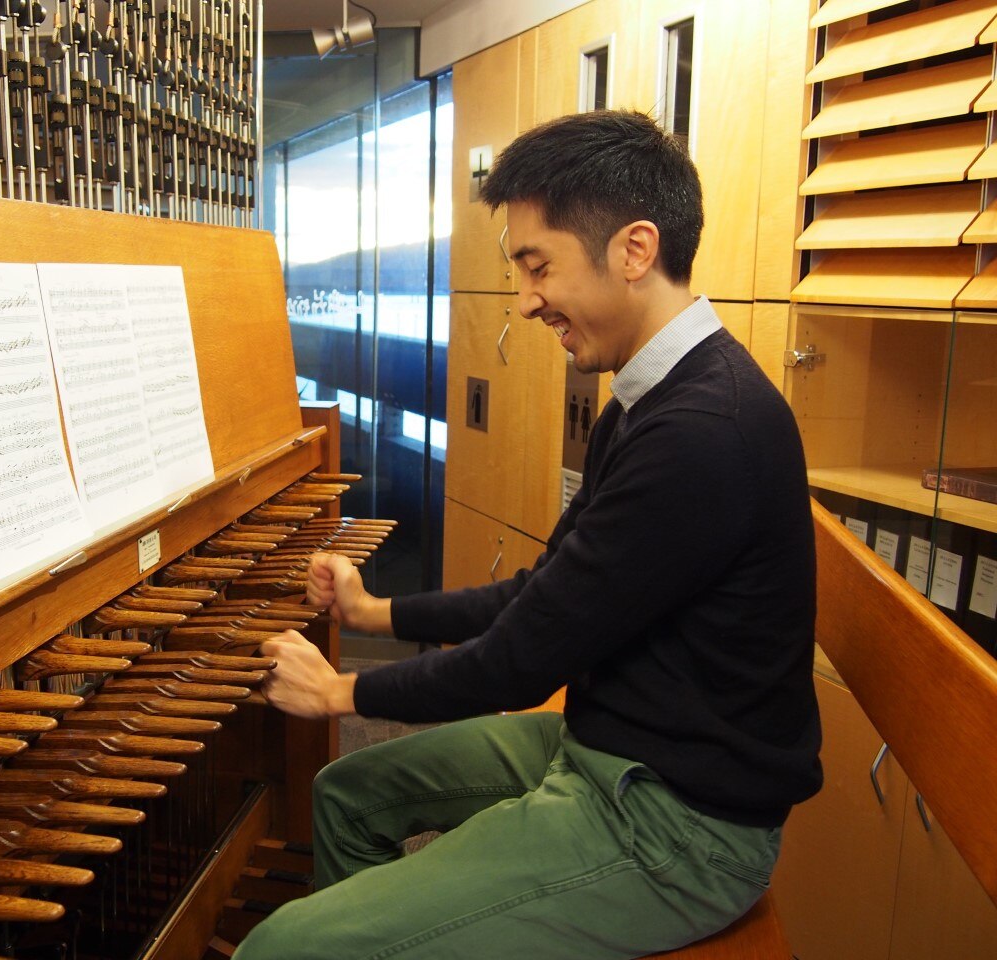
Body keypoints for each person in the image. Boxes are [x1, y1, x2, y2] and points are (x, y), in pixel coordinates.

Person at [234, 110, 822, 960]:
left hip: (679, 826)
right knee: (347, 794)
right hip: (607, 748)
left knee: (281, 949)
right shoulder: (646, 398)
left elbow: (521, 660)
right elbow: (542, 594)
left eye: (538, 266)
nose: (525, 300)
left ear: (635, 249)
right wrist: (374, 614)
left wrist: (339, 694)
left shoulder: (703, 431)